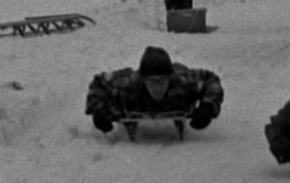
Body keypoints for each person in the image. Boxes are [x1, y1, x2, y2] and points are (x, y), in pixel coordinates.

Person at [85, 46, 223, 134]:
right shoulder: (127, 85)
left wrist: (208, 107)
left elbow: (211, 80)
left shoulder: (184, 83)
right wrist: (98, 109)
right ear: (143, 79)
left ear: (170, 78)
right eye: (152, 81)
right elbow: (99, 83)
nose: (158, 86)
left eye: (163, 81)